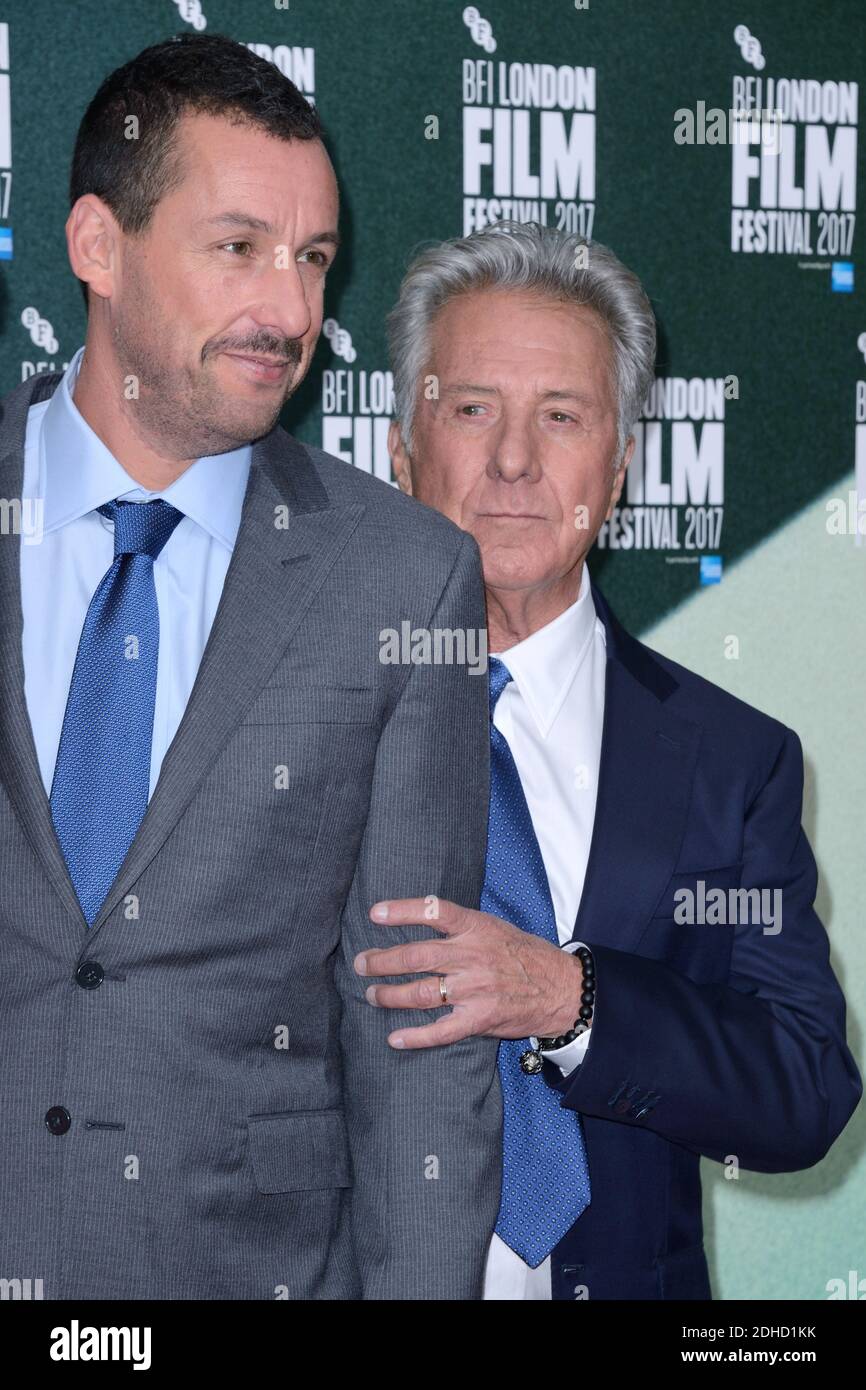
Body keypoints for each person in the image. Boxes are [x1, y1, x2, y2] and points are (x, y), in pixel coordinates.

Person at [0, 32, 501, 1300]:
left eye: (313, 259)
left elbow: (416, 1029)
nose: (292, 311)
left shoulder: (402, 577)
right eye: (238, 249)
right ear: (98, 248)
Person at [357, 220, 863, 1300]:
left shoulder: (732, 760)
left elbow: (800, 1086)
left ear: (620, 465)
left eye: (561, 416)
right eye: (472, 408)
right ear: (401, 449)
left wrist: (568, 999)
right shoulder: (293, 724)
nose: (510, 460)